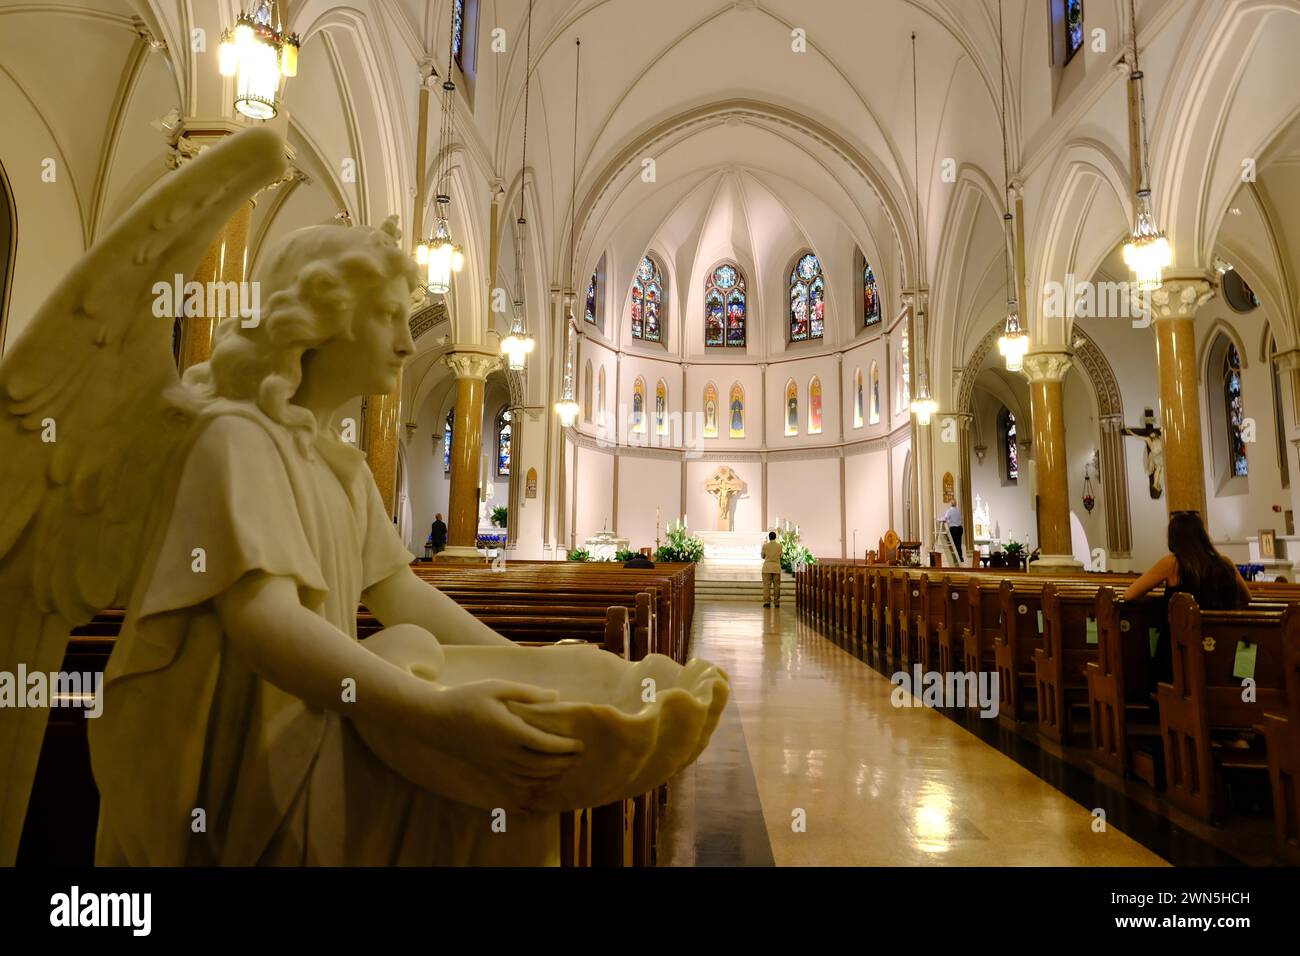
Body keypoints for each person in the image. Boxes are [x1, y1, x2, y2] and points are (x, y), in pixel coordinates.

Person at [1122, 511, 1251, 685]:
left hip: (1180, 654)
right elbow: (1246, 598)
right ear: (1202, 535)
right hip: (1220, 650)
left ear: (1174, 538)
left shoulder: (1172, 563)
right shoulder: (1225, 563)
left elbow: (1130, 594)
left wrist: (1160, 602)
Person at [761, 531, 783, 608]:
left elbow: (763, 556)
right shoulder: (779, 546)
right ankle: (776, 602)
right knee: (777, 586)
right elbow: (781, 555)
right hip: (776, 568)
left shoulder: (765, 546)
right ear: (775, 537)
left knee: (766, 586)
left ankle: (767, 602)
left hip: (767, 568)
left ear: (769, 537)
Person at [942, 497, 964, 563]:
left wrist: (947, 521)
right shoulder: (958, 510)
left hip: (954, 529)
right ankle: (960, 557)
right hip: (959, 528)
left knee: (954, 544)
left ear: (950, 504)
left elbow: (945, 518)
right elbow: (960, 519)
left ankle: (955, 558)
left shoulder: (949, 511)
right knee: (958, 543)